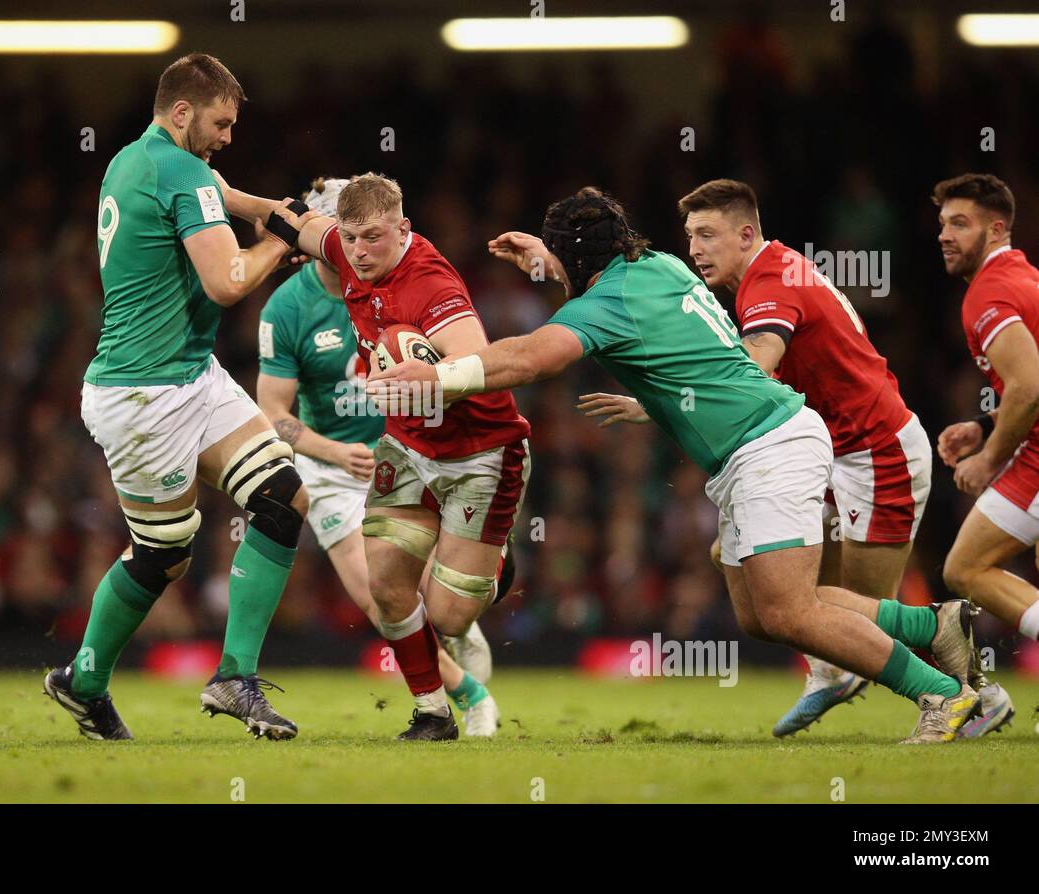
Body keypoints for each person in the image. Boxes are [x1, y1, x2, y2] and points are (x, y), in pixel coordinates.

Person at [370, 186, 981, 744]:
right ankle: (932, 626)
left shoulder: (601, 307)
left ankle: (943, 694)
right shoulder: (657, 265)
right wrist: (550, 259)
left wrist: (438, 376)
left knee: (791, 611)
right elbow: (595, 285)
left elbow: (530, 359)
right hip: (760, 443)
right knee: (763, 617)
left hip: (770, 445)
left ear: (578, 263)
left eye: (560, 263)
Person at [43, 53, 315, 741]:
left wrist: (267, 210)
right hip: (142, 394)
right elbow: (227, 283)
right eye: (221, 123)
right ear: (184, 112)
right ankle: (83, 681)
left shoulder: (135, 160)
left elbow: (216, 189)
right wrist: (282, 243)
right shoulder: (180, 169)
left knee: (283, 497)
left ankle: (234, 677)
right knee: (165, 553)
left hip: (190, 373)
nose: (227, 137)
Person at [223, 172, 530, 741]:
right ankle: (435, 713)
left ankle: (488, 566)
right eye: (351, 238)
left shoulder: (432, 287)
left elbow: (482, 366)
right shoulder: (321, 274)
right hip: (400, 448)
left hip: (478, 449)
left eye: (372, 238)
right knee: (384, 589)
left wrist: (427, 378)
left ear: (402, 229)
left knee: (446, 614)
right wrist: (219, 191)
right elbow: (291, 219)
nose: (359, 253)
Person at [676, 179, 981, 737]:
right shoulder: (769, 274)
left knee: (846, 610)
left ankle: (978, 694)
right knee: (752, 568)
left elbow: (758, 364)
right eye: (689, 236)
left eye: (706, 234)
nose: (694, 249)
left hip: (875, 452)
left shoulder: (770, 280)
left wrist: (676, 394)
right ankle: (833, 668)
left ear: (746, 234)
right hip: (822, 452)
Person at [935, 172, 1039, 735]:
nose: (946, 235)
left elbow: (1030, 386)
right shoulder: (1023, 278)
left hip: (1036, 457)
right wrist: (983, 425)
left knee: (965, 567)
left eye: (960, 223)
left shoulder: (989, 293)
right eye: (943, 224)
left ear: (996, 228)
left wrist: (991, 456)